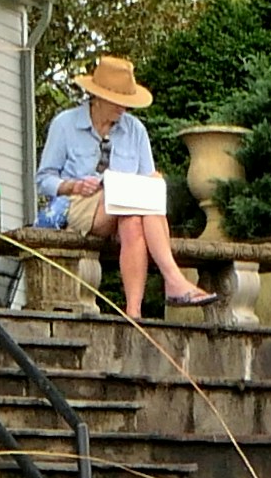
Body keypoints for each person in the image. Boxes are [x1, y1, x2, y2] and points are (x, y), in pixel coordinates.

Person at [33, 53, 205, 320]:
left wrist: (154, 180)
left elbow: (148, 180)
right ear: (98, 97)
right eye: (118, 102)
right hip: (81, 205)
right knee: (134, 205)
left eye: (127, 102)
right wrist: (74, 186)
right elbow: (44, 180)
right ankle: (173, 279)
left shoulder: (136, 130)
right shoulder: (65, 125)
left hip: (125, 208)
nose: (123, 109)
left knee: (134, 217)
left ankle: (133, 312)